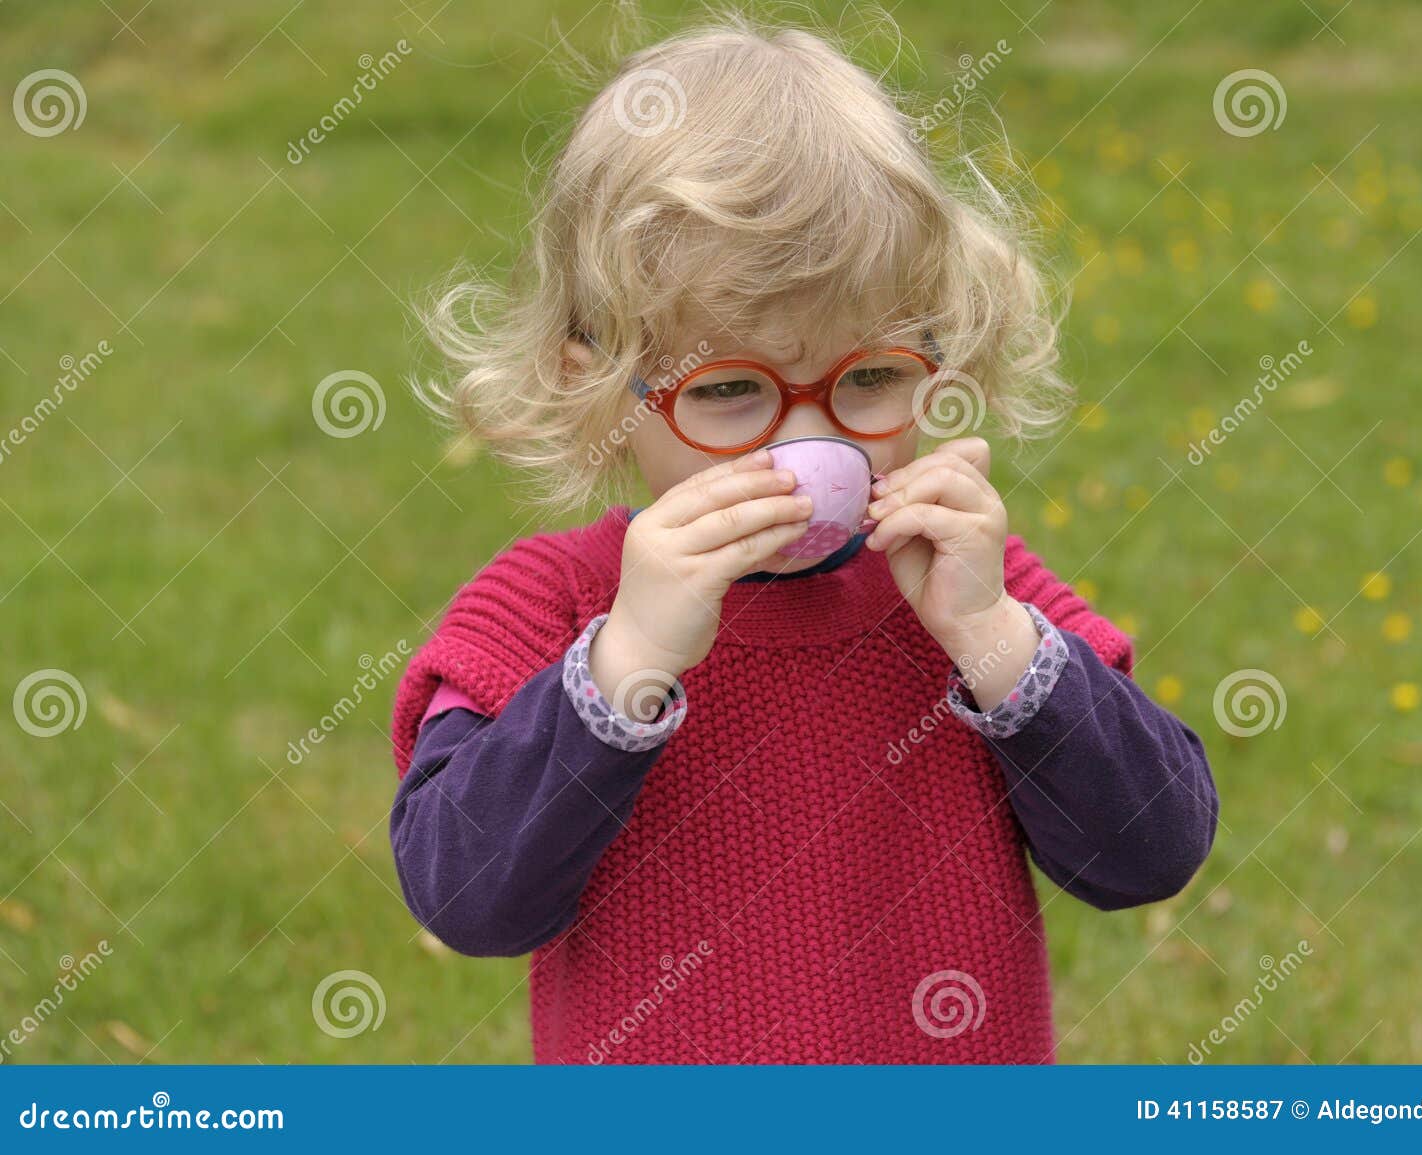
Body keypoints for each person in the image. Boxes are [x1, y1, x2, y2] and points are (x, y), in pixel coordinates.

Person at [388, 15, 1218, 1064]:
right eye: (732, 391)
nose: (812, 444)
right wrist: (624, 665)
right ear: (593, 389)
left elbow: (1150, 852)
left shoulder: (965, 585)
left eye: (869, 378)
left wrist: (997, 640)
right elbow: (469, 899)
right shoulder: (550, 604)